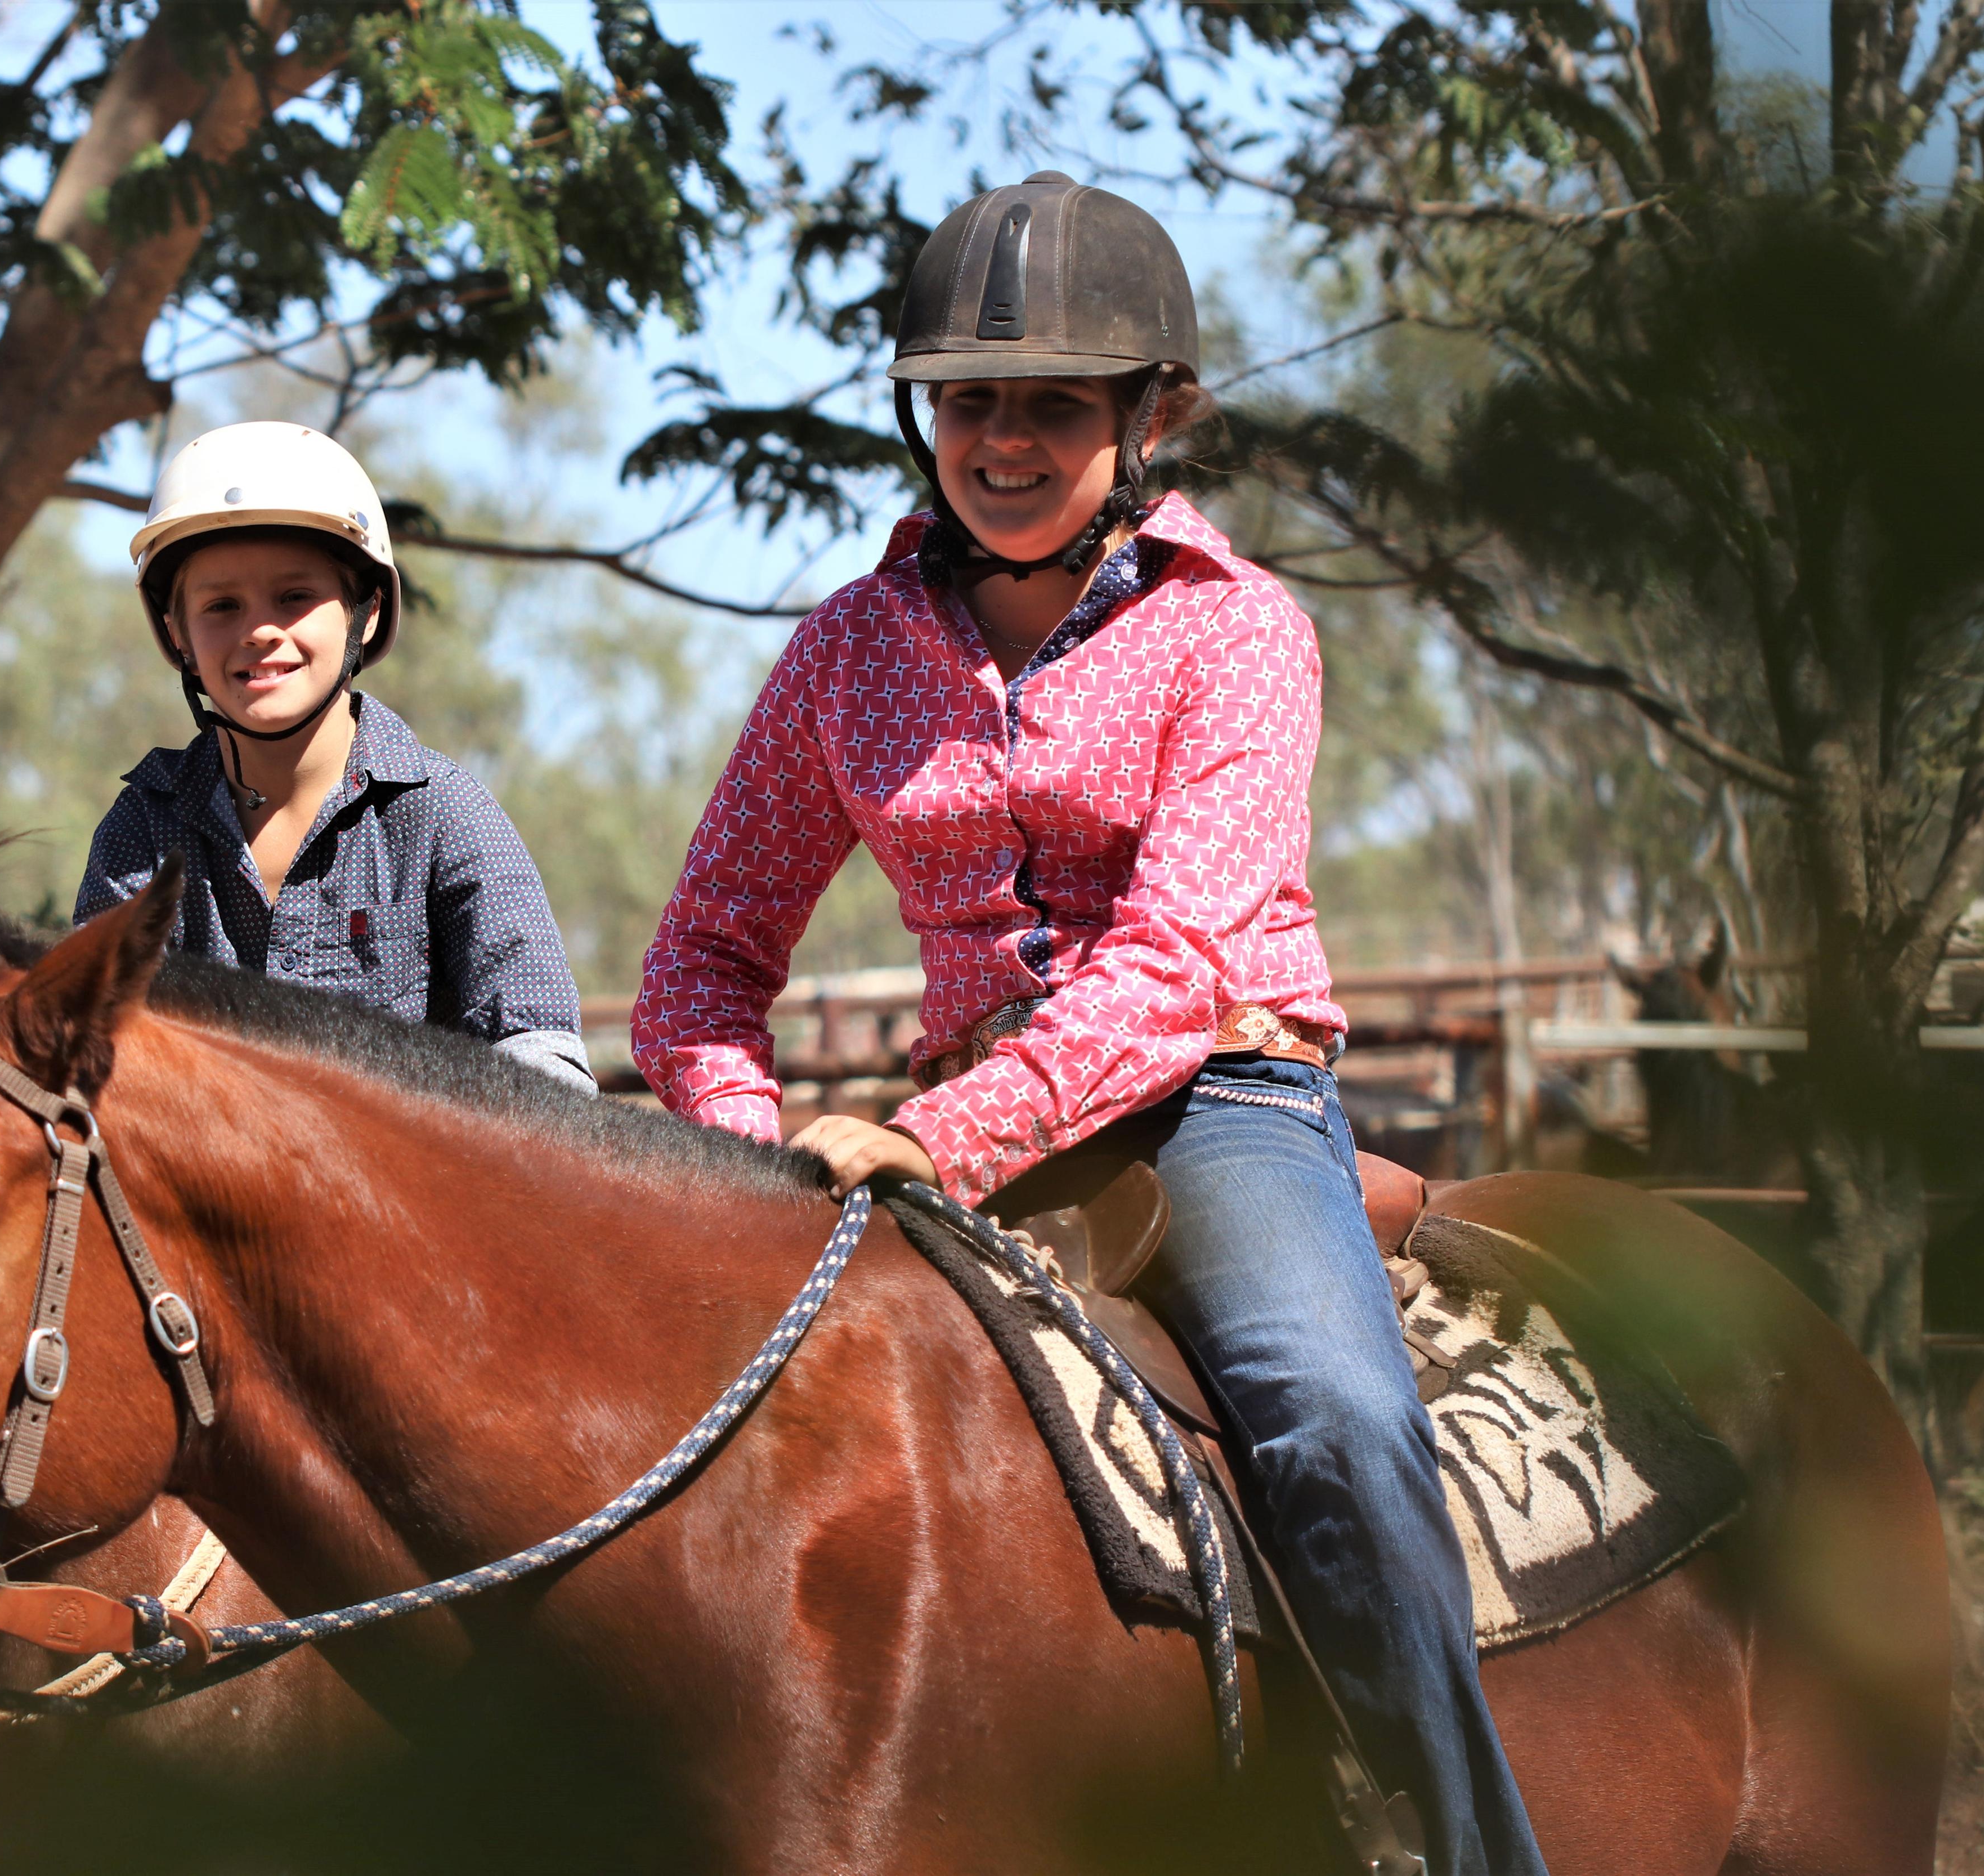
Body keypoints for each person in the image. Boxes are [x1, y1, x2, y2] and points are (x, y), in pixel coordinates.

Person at [631, 174, 1544, 1874]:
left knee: (1337, 1425)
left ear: (1155, 415)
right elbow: (700, 956)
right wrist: (749, 1161)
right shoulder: (844, 653)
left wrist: (936, 1140)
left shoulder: (1239, 634)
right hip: (935, 1131)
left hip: (1215, 1106)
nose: (999, 438)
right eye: (968, 400)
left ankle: (1455, 1838)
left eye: (1052, 402)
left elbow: (1171, 967)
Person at [78, 420, 595, 1094]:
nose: (260, 631)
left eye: (294, 598)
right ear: (176, 633)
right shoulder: (144, 828)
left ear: (367, 612)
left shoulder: (442, 813)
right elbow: (86, 1050)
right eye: (220, 606)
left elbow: (542, 1066)